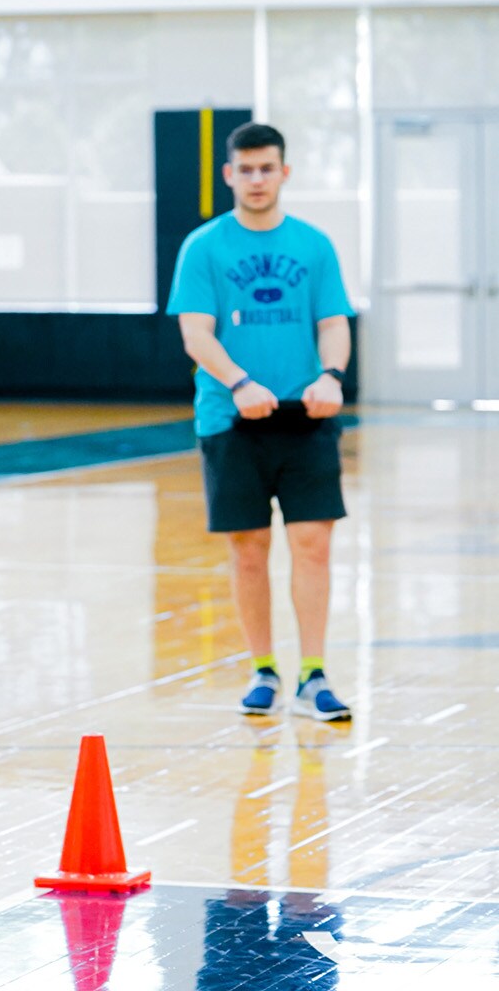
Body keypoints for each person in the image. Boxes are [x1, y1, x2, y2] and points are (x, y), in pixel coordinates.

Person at [168, 121, 355, 722]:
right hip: (231, 418)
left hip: (306, 418)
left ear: (284, 172)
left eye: (266, 168)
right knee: (249, 551)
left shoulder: (314, 245)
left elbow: (333, 321)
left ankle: (313, 674)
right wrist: (241, 383)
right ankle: (264, 669)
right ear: (229, 174)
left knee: (313, 545)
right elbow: (196, 333)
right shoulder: (204, 247)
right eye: (244, 170)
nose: (255, 179)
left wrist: (332, 374)